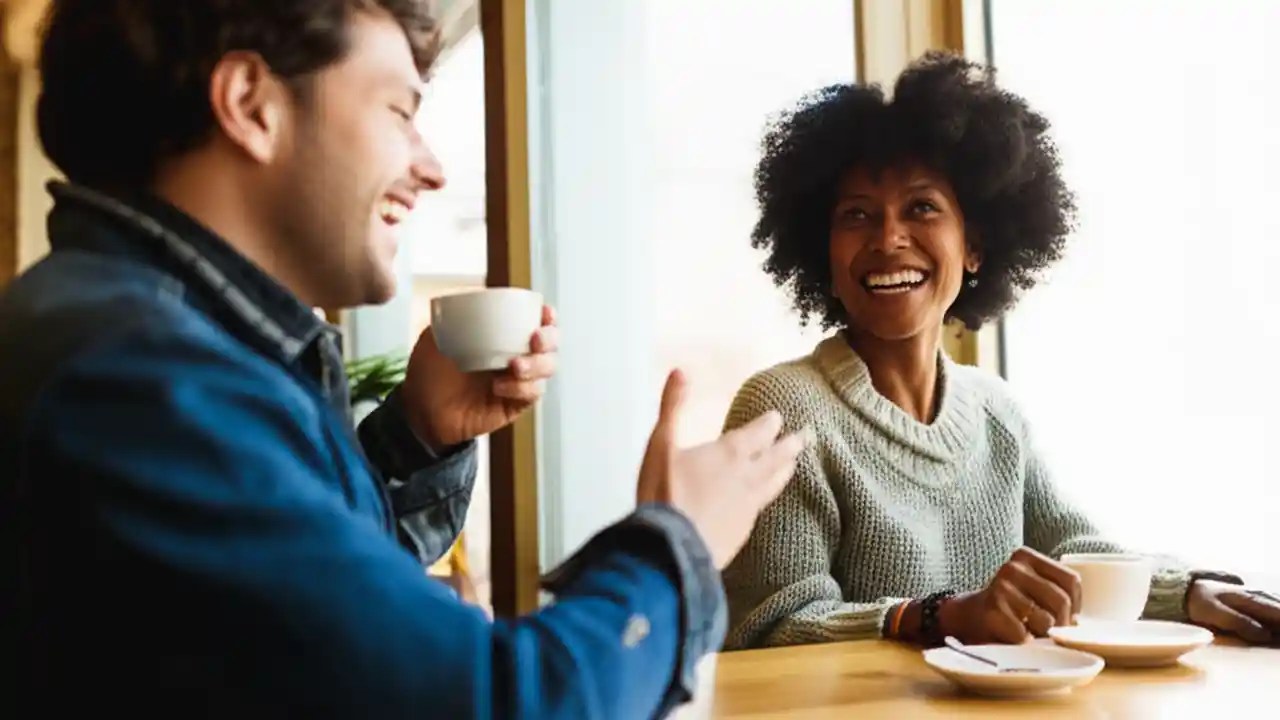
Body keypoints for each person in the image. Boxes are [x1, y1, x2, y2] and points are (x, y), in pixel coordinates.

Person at [0, 1, 807, 716]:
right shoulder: (140, 377)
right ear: (250, 104)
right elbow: (495, 704)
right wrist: (678, 544)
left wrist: (418, 437)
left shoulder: (132, 332)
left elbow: (300, 628)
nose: (432, 166)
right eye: (399, 111)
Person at [720, 51, 1280, 651]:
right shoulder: (782, 410)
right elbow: (768, 629)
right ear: (822, 255)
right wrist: (935, 616)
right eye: (856, 215)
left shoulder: (994, 411)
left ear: (975, 246)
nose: (888, 239)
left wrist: (1188, 593)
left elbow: (1076, 554)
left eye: (922, 208)